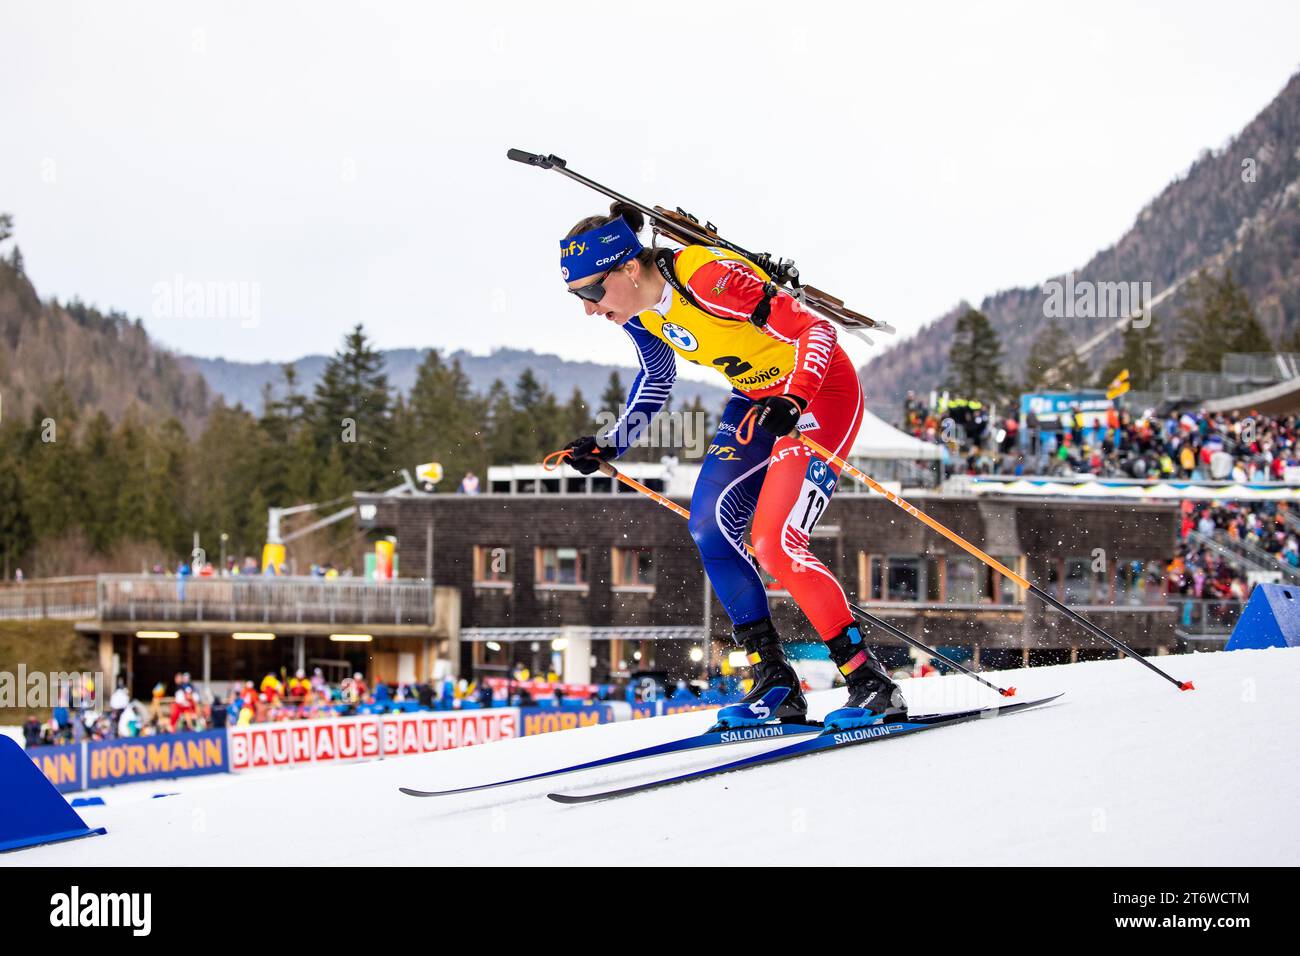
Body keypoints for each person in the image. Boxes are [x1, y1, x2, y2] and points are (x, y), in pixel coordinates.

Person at [555, 203, 905, 729]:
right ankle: (776, 682)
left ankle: (869, 683)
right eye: (577, 296)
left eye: (591, 292)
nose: (588, 308)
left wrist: (796, 399)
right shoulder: (639, 311)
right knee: (709, 528)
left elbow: (819, 332)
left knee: (775, 540)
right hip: (758, 397)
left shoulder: (706, 277)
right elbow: (657, 376)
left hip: (819, 389)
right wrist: (611, 444)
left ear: (629, 267)